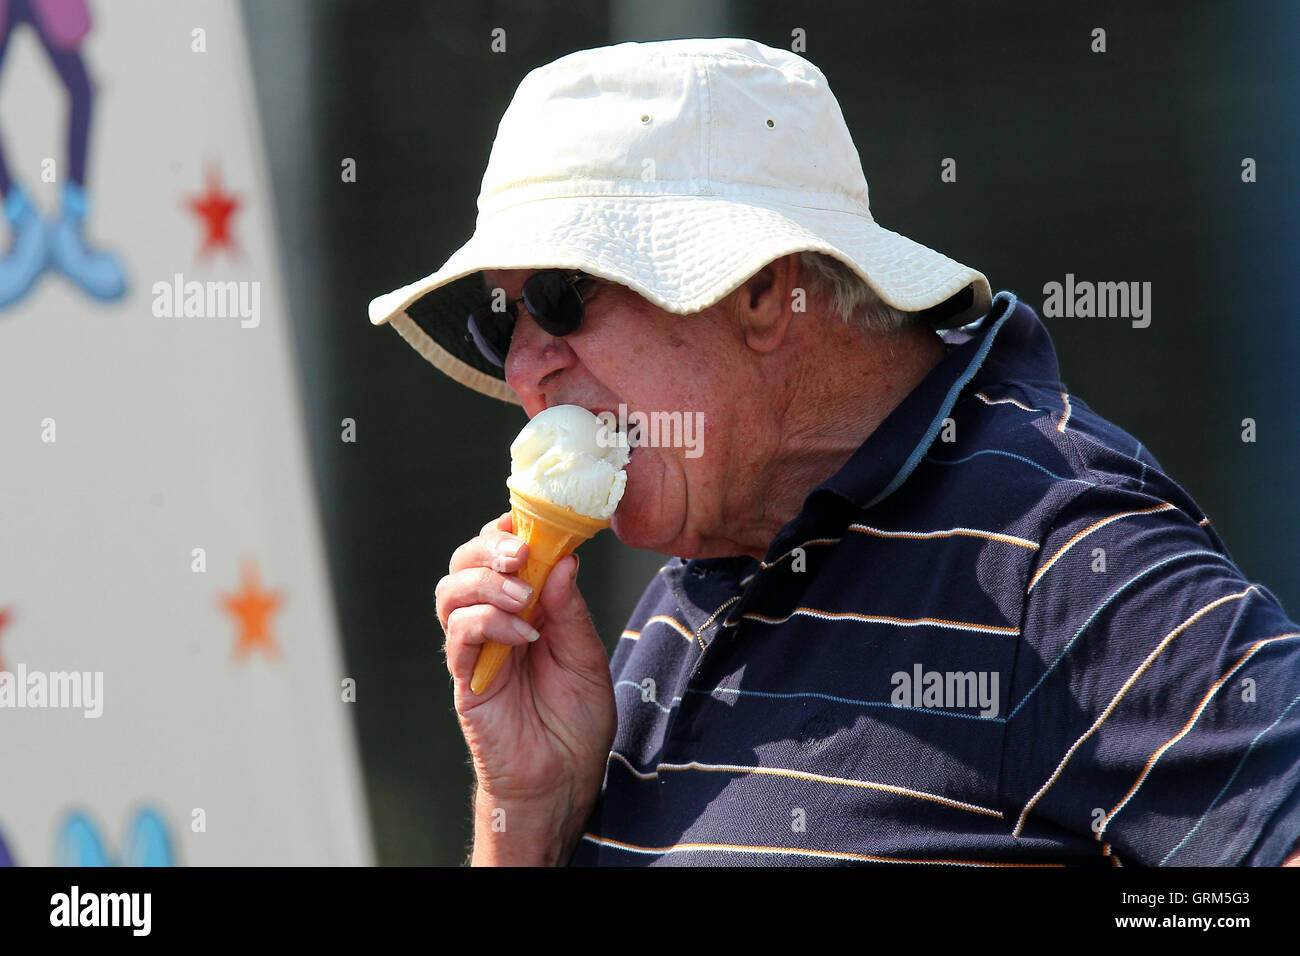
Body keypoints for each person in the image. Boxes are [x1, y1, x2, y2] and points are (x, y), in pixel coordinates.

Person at [369, 38, 1300, 866]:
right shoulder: (692, 581)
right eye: (503, 320)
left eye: (564, 298)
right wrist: (526, 820)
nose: (527, 363)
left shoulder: (1057, 553)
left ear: (763, 294)